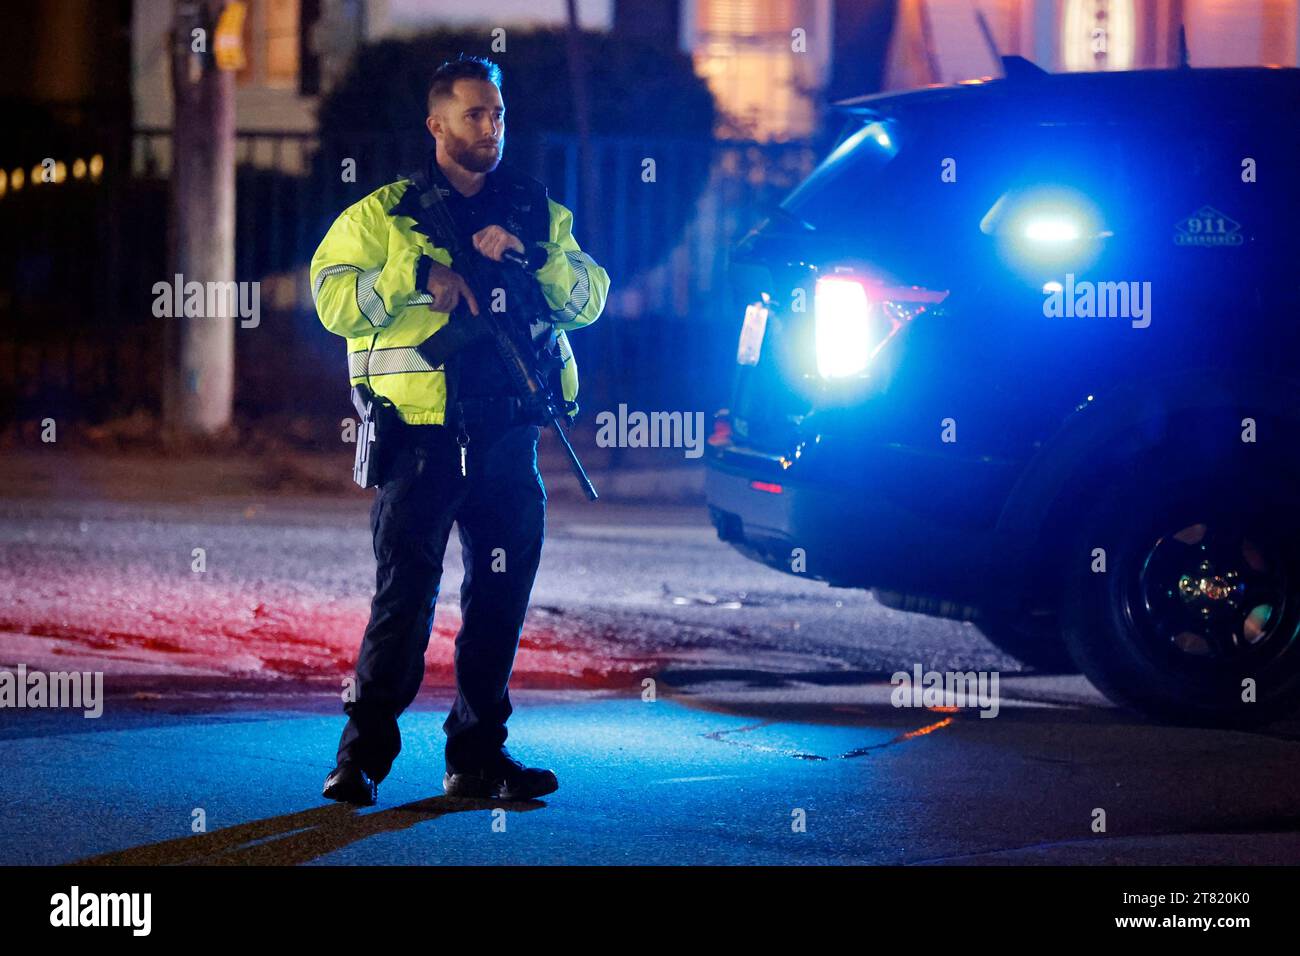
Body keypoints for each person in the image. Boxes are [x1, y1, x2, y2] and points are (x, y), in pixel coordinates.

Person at [311, 54, 609, 805]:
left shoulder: (534, 210)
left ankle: (477, 759)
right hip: (421, 444)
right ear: (436, 124)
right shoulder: (386, 214)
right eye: (475, 113)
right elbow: (331, 298)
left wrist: (530, 256)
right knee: (403, 605)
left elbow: (588, 298)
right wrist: (413, 279)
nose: (491, 126)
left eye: (499, 113)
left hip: (510, 444)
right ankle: (362, 759)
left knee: (497, 610)